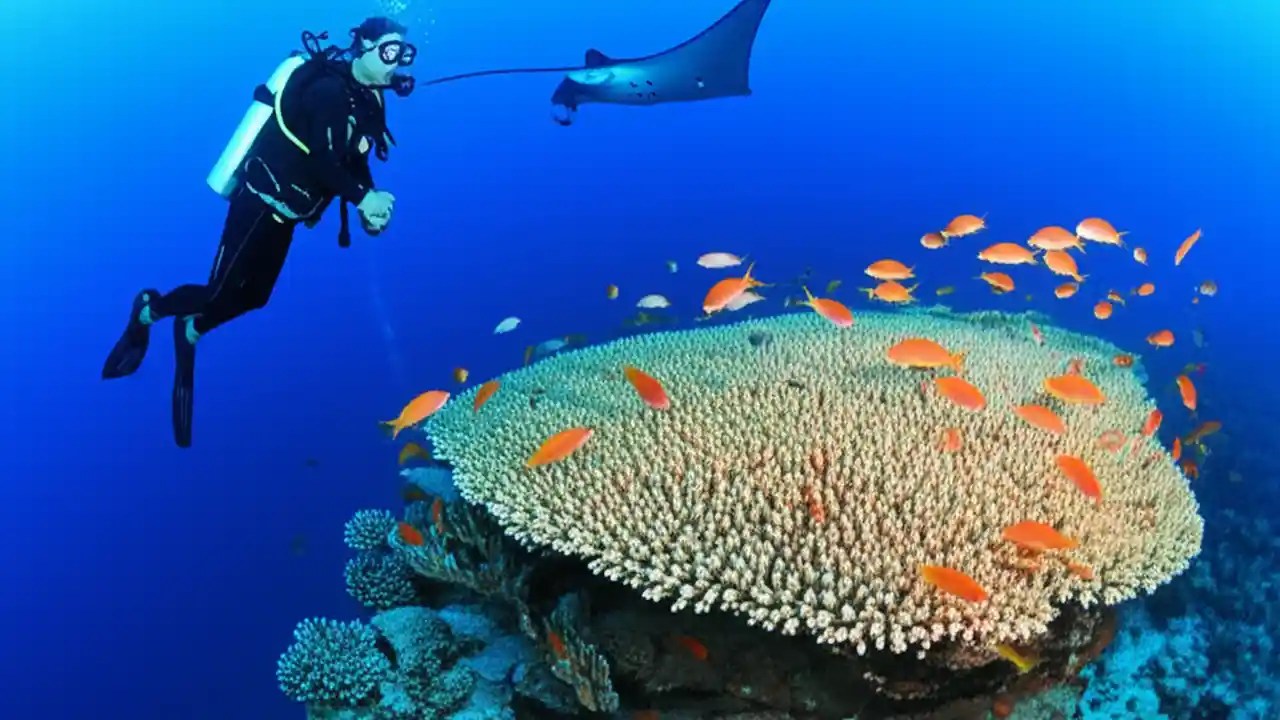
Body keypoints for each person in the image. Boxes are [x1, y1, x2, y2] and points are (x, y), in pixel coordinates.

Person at [101, 17, 415, 448]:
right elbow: (325, 160)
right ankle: (147, 312)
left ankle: (190, 331)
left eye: (403, 54)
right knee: (218, 291)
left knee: (255, 297)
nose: (396, 63)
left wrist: (368, 204)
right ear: (362, 46)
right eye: (389, 51)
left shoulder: (370, 103)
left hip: (286, 213)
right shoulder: (327, 92)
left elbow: (352, 161)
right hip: (259, 201)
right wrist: (364, 200)